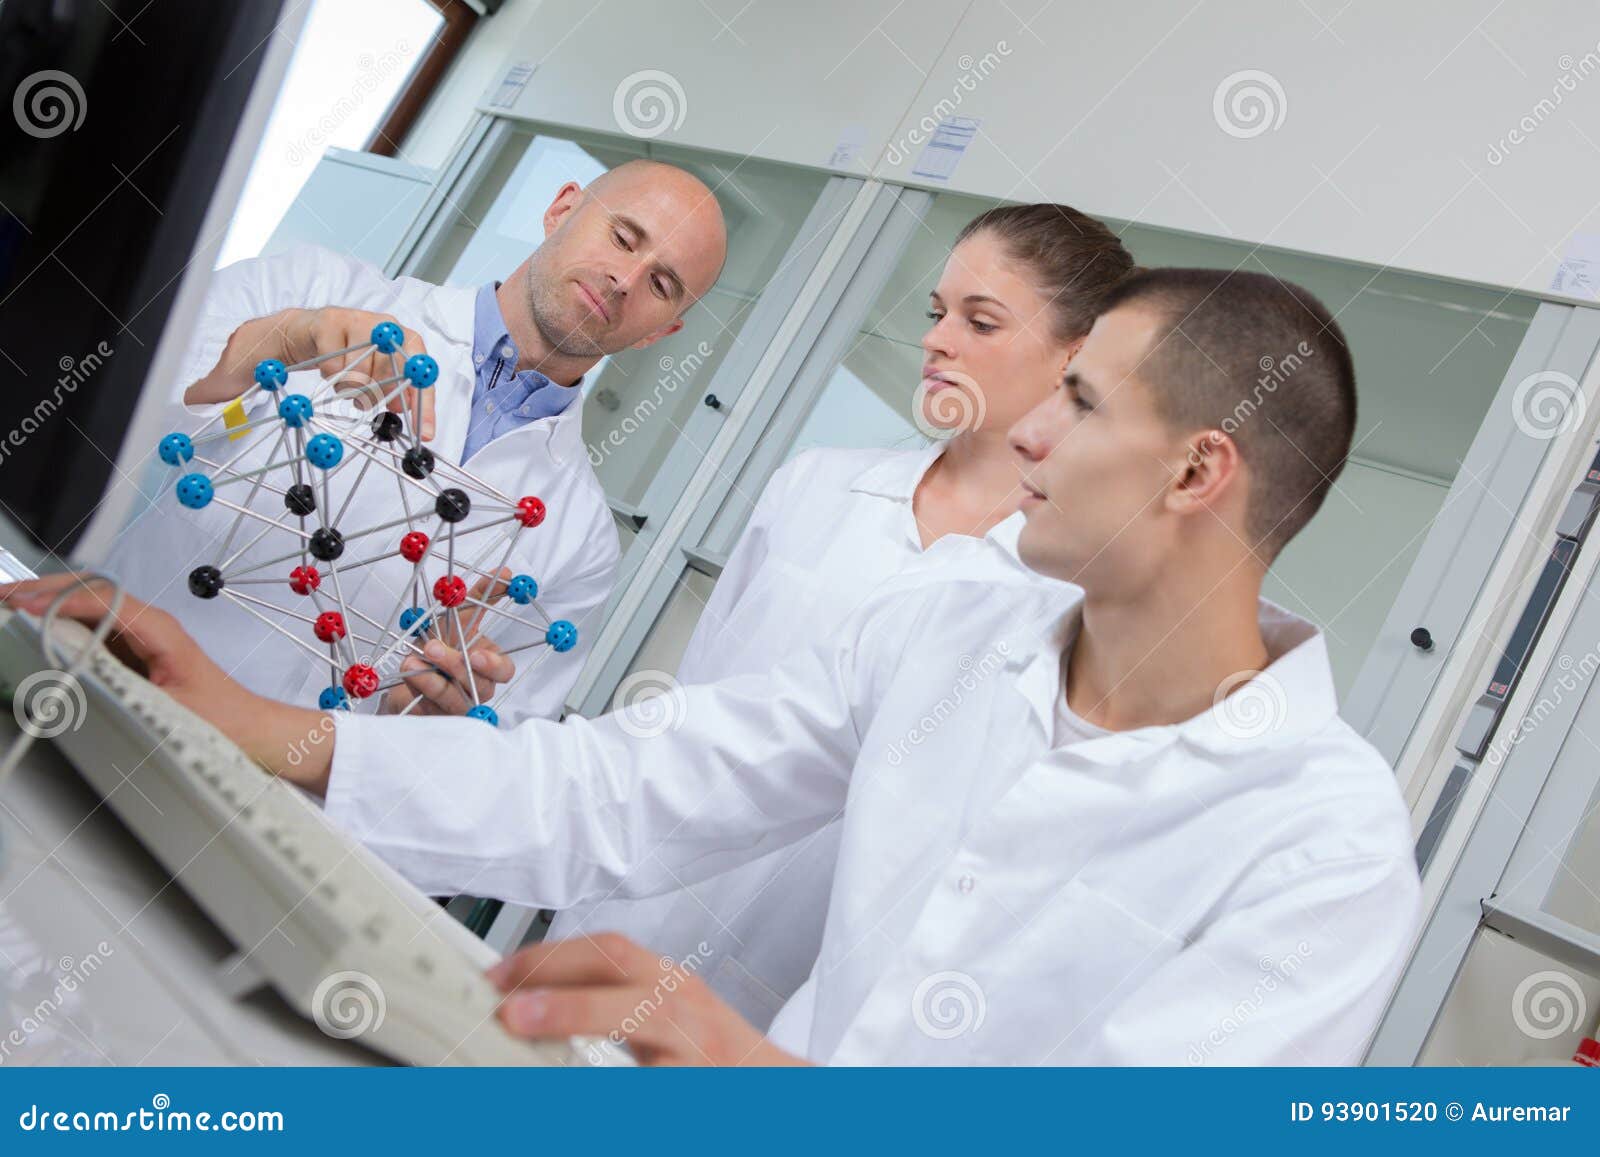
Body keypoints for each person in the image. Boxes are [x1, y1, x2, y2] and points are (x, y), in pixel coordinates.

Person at [7, 267, 1422, 1066]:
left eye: (1080, 402)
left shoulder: (1324, 846)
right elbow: (632, 781)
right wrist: (266, 725)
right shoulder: (955, 627)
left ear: (1197, 468)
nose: (1029, 438)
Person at [538, 203, 1133, 1030]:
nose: (936, 339)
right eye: (936, 313)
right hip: (612, 931)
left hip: (776, 1022)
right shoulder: (815, 485)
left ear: (1080, 356)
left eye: (980, 320)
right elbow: (687, 715)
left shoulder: (1067, 600)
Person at [106, 159, 727, 723]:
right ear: (562, 208)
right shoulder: (313, 289)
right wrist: (286, 341)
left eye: (662, 284)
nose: (626, 279)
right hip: (102, 675)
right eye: (623, 237)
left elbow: (496, 739)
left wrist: (428, 720)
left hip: (265, 798)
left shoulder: (582, 539)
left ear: (660, 333)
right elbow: (122, 399)